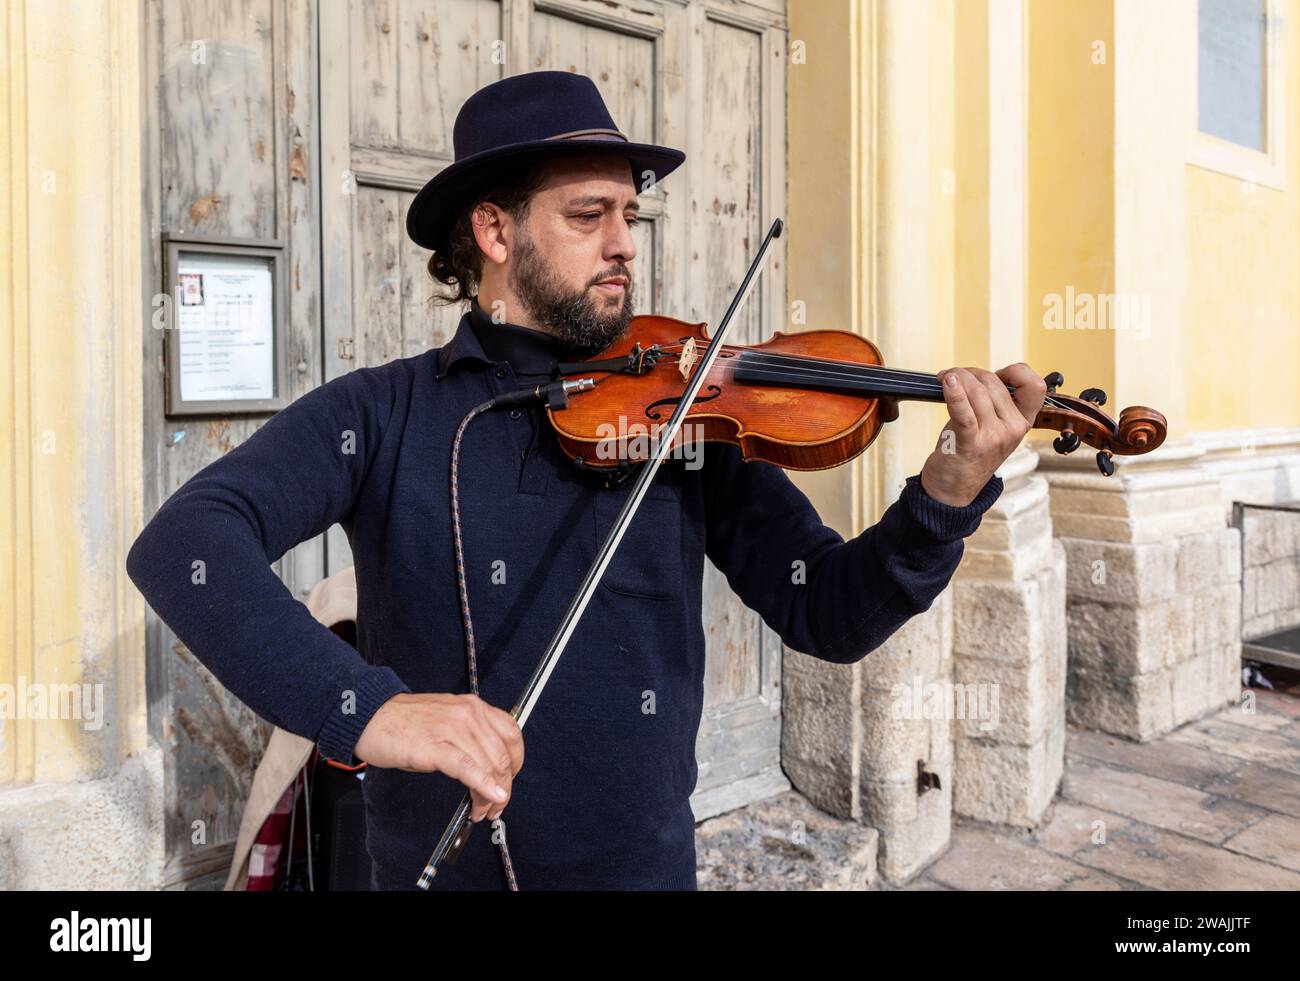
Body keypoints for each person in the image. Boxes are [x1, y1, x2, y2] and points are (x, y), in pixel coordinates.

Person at [127, 70, 1046, 890]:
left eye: (628, 215)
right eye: (587, 215)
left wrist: (947, 494)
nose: (624, 244)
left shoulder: (683, 412)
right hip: (434, 873)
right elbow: (187, 542)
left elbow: (830, 613)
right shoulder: (382, 413)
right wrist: (368, 710)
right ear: (493, 228)